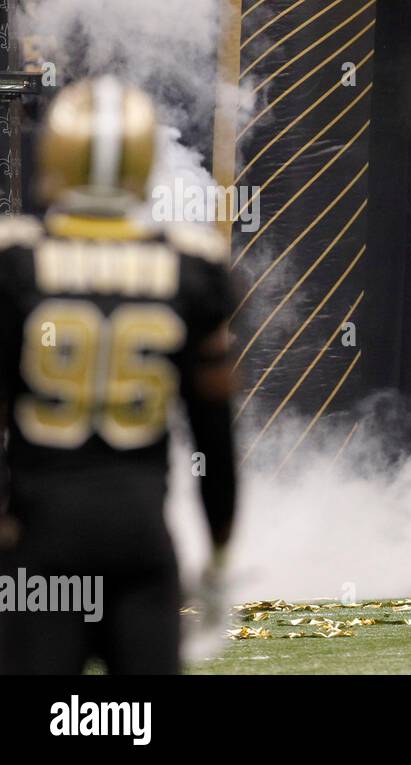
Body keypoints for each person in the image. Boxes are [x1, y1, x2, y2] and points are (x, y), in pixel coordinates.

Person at [0, 77, 237, 673]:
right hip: (139, 541)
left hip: (42, 543)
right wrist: (217, 559)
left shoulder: (16, 261)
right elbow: (215, 437)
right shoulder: (191, 266)